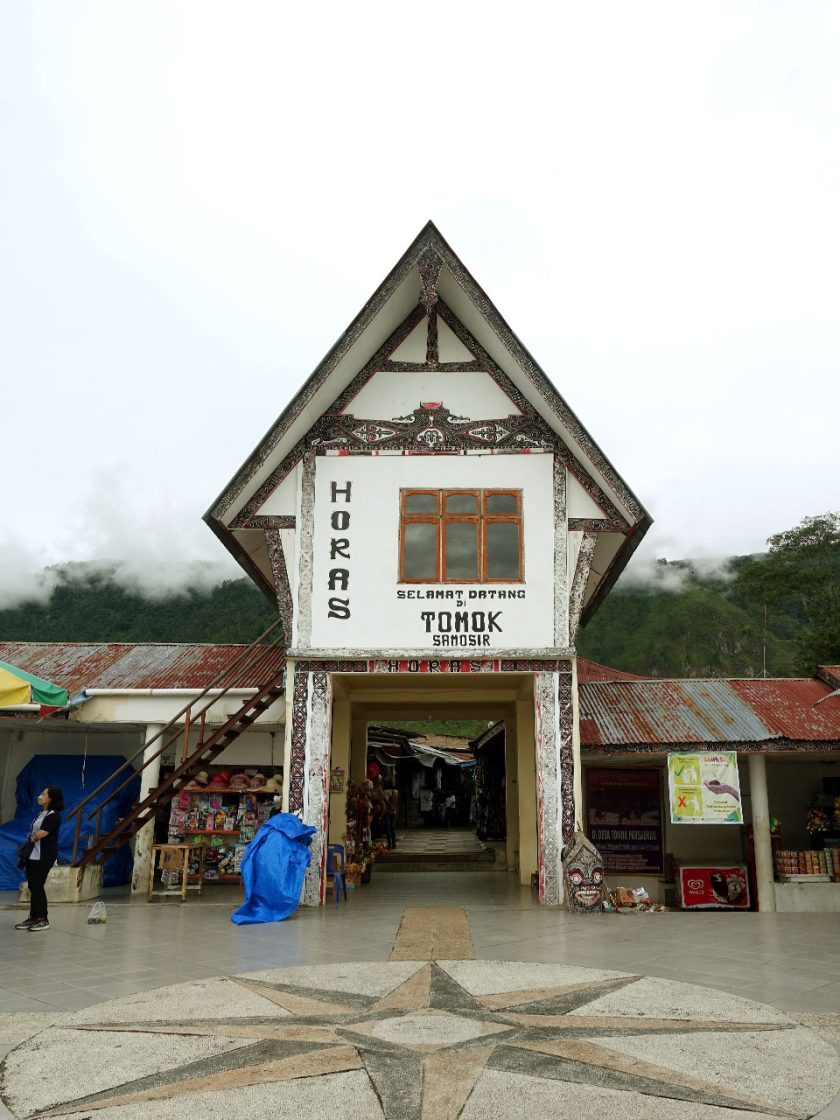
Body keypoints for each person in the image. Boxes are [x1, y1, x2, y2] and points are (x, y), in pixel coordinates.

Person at [16, 786, 64, 932]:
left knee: (37, 885)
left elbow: (43, 832)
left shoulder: (54, 815)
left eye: (43, 794)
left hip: (44, 856)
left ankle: (42, 918)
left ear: (50, 798)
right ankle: (33, 917)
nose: (40, 795)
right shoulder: (41, 813)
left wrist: (34, 838)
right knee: (33, 885)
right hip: (33, 855)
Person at [383, 783, 398, 849]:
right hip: (394, 812)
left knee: (388, 828)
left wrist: (390, 806)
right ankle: (394, 844)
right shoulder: (396, 792)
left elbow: (386, 800)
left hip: (388, 812)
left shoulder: (386, 792)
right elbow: (396, 800)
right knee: (393, 828)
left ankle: (389, 844)